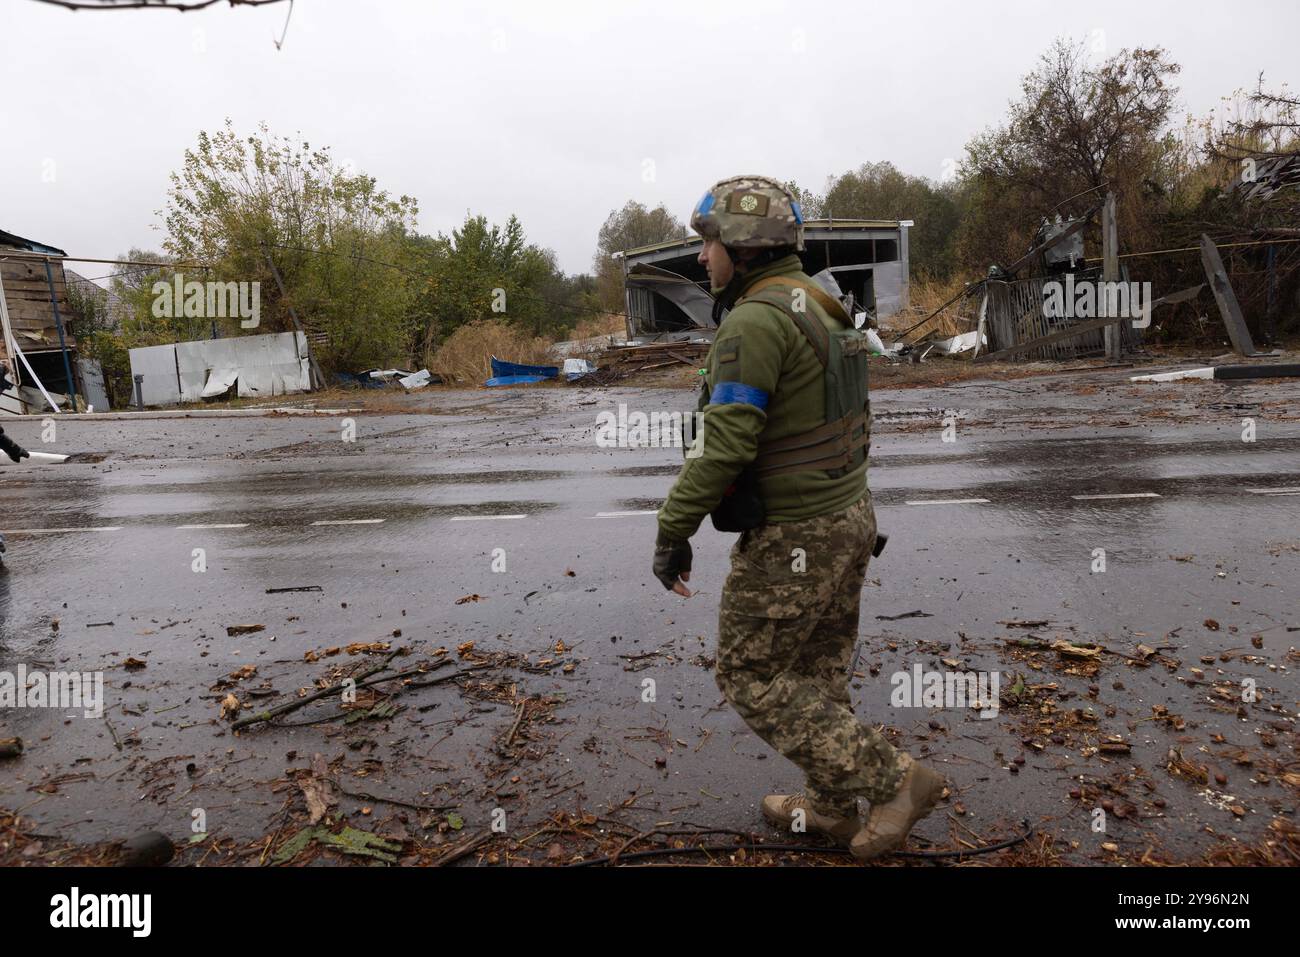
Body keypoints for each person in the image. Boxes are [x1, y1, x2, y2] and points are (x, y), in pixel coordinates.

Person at [652, 175, 944, 861]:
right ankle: (831, 808)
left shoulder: (754, 320)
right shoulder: (822, 301)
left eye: (710, 241)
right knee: (816, 672)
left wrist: (672, 529)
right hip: (848, 517)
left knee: (751, 675)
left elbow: (724, 446)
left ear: (744, 248)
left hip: (795, 535)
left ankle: (897, 781)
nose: (702, 257)